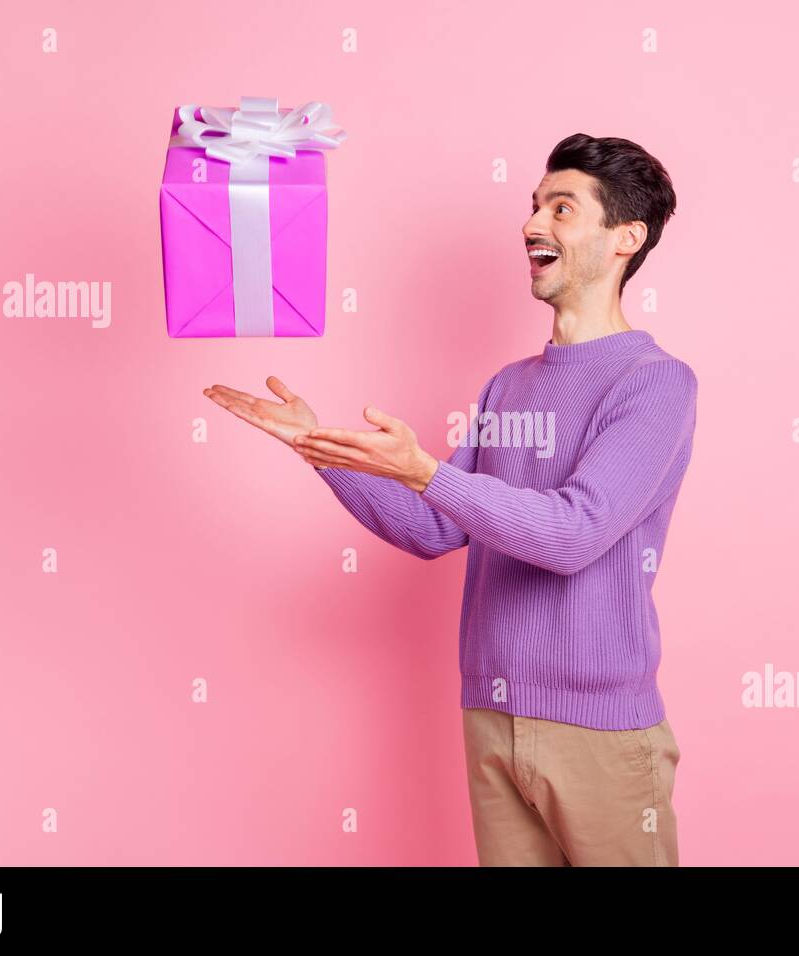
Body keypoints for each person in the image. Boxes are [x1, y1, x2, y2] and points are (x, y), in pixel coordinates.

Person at [204, 133, 696, 866]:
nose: (533, 225)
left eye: (562, 209)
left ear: (627, 238)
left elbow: (573, 533)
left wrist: (426, 470)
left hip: (600, 734)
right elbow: (435, 525)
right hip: (490, 715)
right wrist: (318, 449)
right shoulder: (508, 384)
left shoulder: (655, 384)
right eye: (533, 207)